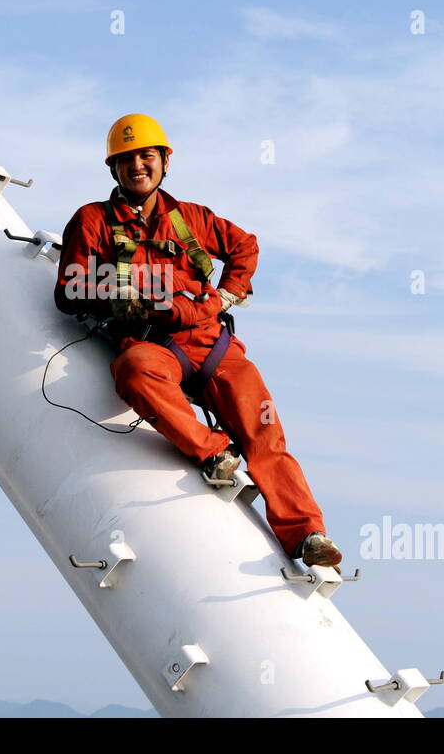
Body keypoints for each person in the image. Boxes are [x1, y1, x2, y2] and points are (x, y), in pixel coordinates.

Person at [53, 113, 343, 568]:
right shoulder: (92, 221)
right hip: (152, 344)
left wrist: (227, 293)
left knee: (262, 429)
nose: (137, 167)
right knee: (133, 371)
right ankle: (213, 452)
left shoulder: (190, 219)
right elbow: (68, 291)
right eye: (126, 160)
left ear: (164, 161)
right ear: (113, 168)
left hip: (212, 344)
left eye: (146, 156)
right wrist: (112, 293)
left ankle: (307, 533)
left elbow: (245, 245)